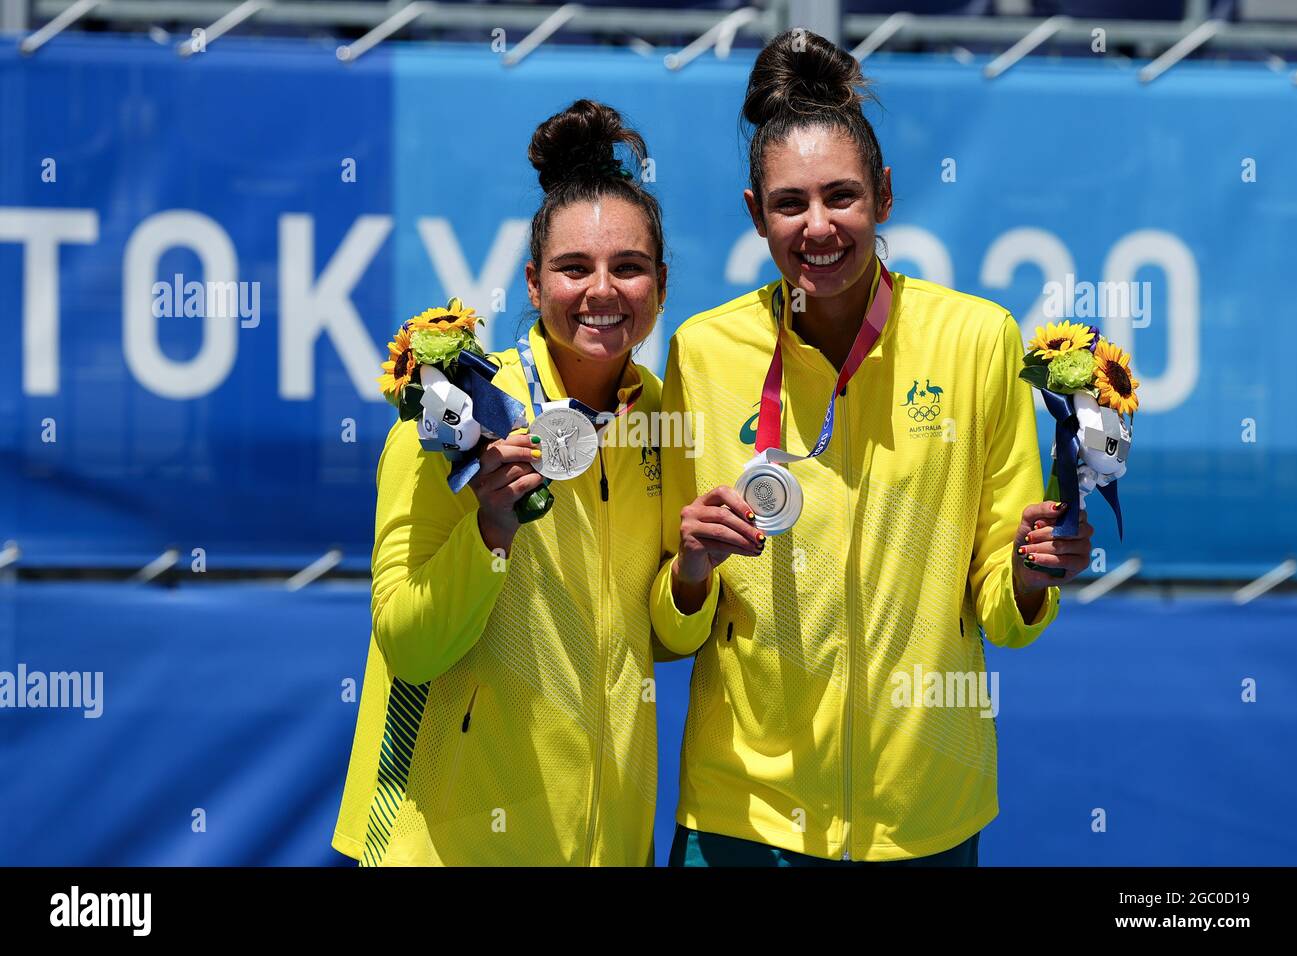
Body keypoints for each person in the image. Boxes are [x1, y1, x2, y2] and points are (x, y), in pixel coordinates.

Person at [649, 30, 1095, 867]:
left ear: (883, 196)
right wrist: (689, 573)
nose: (817, 227)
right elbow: (673, 628)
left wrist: (1034, 573)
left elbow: (1002, 609)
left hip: (923, 816)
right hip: (745, 815)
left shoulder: (978, 341)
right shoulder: (704, 352)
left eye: (841, 196)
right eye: (789, 204)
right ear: (756, 216)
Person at [333, 99, 670, 866]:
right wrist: (490, 532)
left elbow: (654, 636)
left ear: (660, 280)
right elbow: (410, 647)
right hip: (446, 847)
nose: (602, 291)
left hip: (604, 844)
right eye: (573, 268)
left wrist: (691, 581)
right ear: (531, 280)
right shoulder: (457, 412)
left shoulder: (660, 418)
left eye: (629, 266)